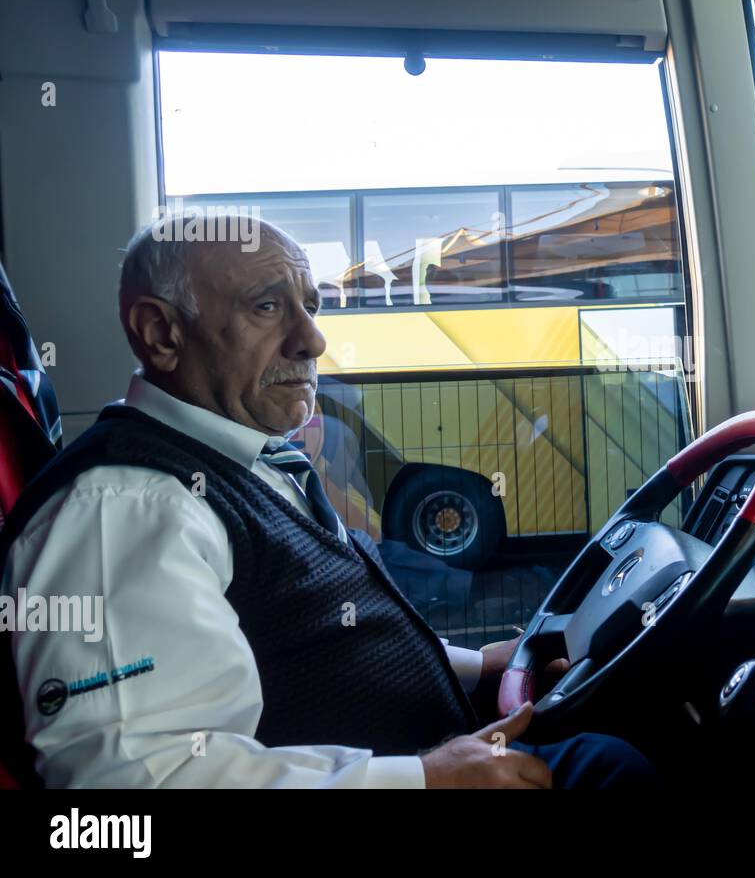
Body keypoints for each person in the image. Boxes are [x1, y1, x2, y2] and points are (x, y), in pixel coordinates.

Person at [0, 214, 655, 788]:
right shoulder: (123, 509)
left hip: (424, 743)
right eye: (266, 307)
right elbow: (134, 776)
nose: (313, 339)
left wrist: (474, 669)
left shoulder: (246, 458)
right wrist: (426, 779)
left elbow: (310, 635)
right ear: (161, 333)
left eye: (311, 305)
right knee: (613, 764)